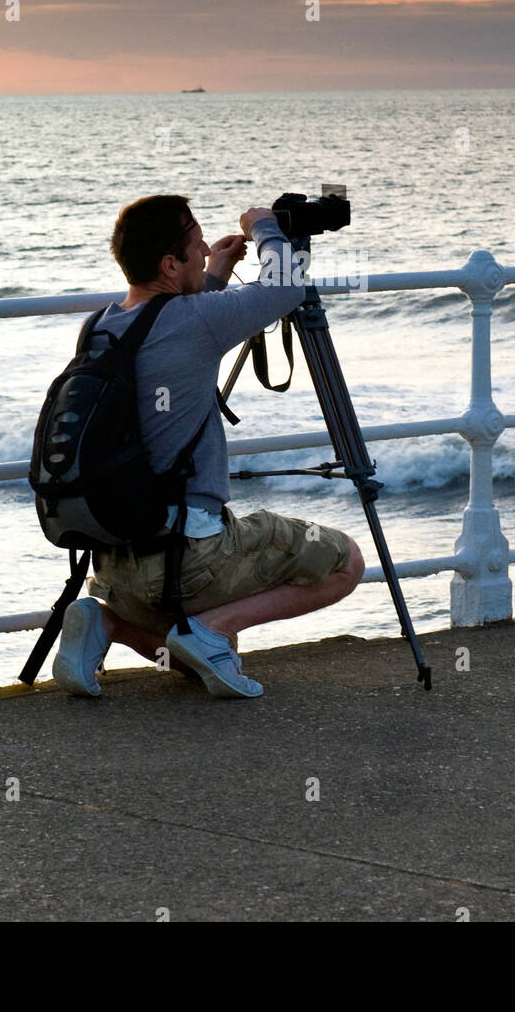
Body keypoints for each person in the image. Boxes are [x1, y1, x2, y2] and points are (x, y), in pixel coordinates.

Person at [51, 194, 365, 700]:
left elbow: (174, 326)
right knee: (345, 561)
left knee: (190, 663)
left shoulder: (100, 326)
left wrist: (214, 272)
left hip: (116, 567)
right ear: (170, 263)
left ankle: (105, 623)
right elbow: (285, 285)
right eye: (196, 244)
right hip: (192, 565)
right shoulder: (197, 320)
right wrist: (264, 228)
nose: (203, 249)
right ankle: (211, 628)